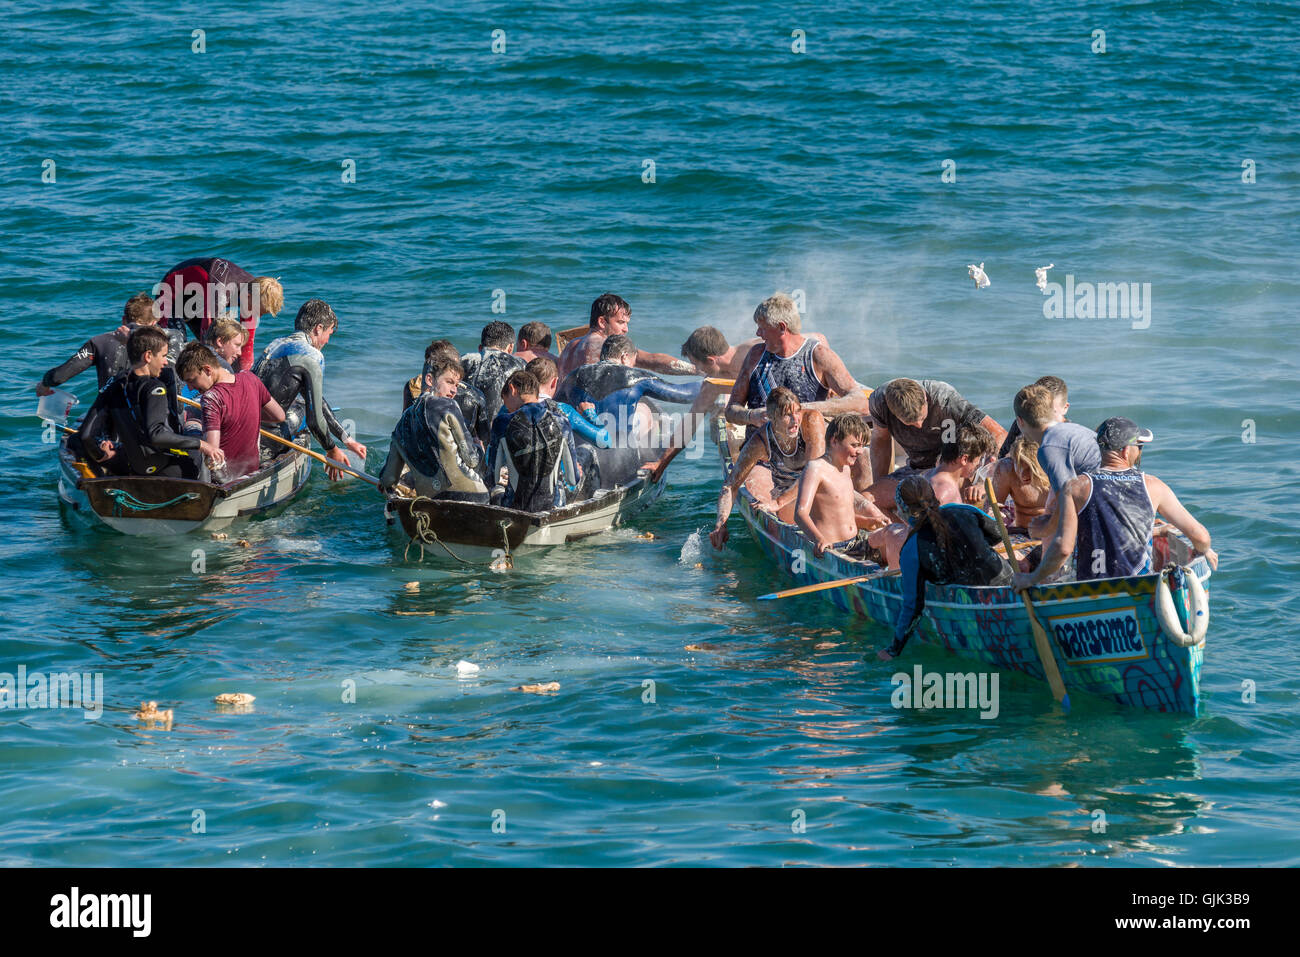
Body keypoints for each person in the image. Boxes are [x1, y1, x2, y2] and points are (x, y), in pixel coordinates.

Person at [1014, 417, 1218, 589]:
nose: (1140, 451)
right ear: (1125, 452)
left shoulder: (1076, 488)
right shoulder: (1153, 486)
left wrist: (1031, 579)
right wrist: (1203, 549)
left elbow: (1063, 549)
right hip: (1139, 587)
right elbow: (1201, 536)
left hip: (1090, 591)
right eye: (1139, 446)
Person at [725, 293, 872, 496]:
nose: (758, 333)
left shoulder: (818, 355)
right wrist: (751, 416)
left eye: (762, 327)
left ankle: (866, 515)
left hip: (814, 453)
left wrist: (804, 409)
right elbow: (731, 411)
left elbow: (859, 401)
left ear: (782, 327)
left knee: (861, 455)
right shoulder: (755, 356)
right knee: (760, 497)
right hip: (765, 455)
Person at [877, 476, 1016, 660]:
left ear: (902, 511)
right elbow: (998, 535)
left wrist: (893, 650)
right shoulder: (963, 510)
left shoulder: (911, 550)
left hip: (973, 610)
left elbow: (913, 607)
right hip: (1010, 586)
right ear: (933, 496)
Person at [72, 326, 221, 479]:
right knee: (197, 455)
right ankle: (205, 493)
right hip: (162, 469)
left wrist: (99, 455)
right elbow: (157, 435)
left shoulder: (115, 384)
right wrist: (202, 445)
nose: (165, 362)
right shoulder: (154, 387)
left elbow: (86, 435)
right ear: (148, 356)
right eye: (163, 356)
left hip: (130, 466)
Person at [556, 334, 711, 481]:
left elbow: (552, 407)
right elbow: (684, 395)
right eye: (633, 361)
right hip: (621, 464)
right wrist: (713, 379)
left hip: (581, 460)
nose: (632, 366)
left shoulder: (573, 376)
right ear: (624, 357)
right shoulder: (636, 377)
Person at [254, 299, 367, 479]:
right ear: (318, 328)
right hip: (265, 442)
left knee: (300, 402)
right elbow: (314, 418)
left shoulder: (275, 344)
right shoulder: (311, 355)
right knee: (301, 411)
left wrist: (347, 439)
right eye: (329, 333)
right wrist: (332, 450)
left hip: (246, 428)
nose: (328, 341)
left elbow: (317, 400)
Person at [711, 387, 829, 547]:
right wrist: (721, 524)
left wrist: (779, 502)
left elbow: (814, 471)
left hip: (824, 485)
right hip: (791, 494)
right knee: (783, 517)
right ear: (772, 418)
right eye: (787, 415)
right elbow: (730, 485)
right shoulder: (761, 440)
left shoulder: (811, 420)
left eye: (797, 412)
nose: (795, 420)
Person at [865, 378, 1007, 506]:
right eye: (911, 423)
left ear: (925, 398)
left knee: (969, 499)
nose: (920, 425)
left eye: (921, 417)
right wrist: (880, 480)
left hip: (957, 467)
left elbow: (1000, 435)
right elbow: (881, 440)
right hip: (919, 468)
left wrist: (986, 481)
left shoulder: (945, 399)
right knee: (867, 499)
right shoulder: (879, 402)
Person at [379, 354, 489, 501]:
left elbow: (389, 477)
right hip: (471, 494)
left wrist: (384, 482)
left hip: (430, 499)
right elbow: (472, 459)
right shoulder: (448, 405)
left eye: (456, 385)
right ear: (430, 380)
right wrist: (479, 449)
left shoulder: (402, 422)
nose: (454, 390)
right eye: (449, 382)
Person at [176, 342, 286, 479]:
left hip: (224, 478)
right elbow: (279, 416)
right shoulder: (251, 378)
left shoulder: (211, 398)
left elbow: (213, 453)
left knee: (190, 424)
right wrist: (245, 414)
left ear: (207, 370)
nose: (190, 388)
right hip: (251, 471)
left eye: (191, 380)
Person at [154, 258, 283, 371]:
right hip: (171, 291)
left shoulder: (253, 295)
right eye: (257, 311)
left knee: (224, 347)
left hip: (199, 298)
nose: (257, 316)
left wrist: (243, 376)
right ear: (248, 296)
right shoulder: (222, 291)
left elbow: (246, 349)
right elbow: (209, 339)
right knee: (177, 345)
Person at [36, 292, 175, 395]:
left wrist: (44, 384)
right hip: (152, 410)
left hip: (112, 414)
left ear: (123, 320)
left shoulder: (99, 342)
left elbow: (59, 376)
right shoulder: (165, 343)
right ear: (153, 323)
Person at [1011, 383, 1101, 540]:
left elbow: (1067, 501)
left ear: (1020, 421)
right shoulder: (1074, 429)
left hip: (1102, 502)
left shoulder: (1049, 448)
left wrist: (1045, 529)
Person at [794, 414, 890, 558]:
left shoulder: (845, 467)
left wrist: (868, 522)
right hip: (834, 548)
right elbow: (800, 513)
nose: (860, 451)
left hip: (856, 541)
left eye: (862, 446)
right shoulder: (816, 469)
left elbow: (840, 515)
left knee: (894, 539)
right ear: (834, 441)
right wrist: (819, 539)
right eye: (855, 445)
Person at [487, 370, 580, 511]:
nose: (506, 407)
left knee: (496, 490)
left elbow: (491, 478)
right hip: (551, 508)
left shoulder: (502, 423)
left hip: (515, 508)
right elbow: (573, 479)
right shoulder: (561, 421)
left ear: (512, 389)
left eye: (504, 400)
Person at [557, 293, 699, 380]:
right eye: (620, 323)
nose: (626, 329)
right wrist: (698, 370)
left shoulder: (570, 346)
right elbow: (651, 360)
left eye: (626, 323)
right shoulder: (606, 345)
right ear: (601, 321)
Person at [526, 356, 611, 448]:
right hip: (555, 462)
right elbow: (606, 442)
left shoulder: (514, 405)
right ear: (554, 382)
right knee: (587, 449)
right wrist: (590, 415)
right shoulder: (563, 411)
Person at [461, 321, 526, 422]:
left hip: (465, 430)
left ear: (480, 348)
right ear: (510, 348)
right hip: (502, 429)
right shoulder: (520, 364)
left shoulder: (463, 360)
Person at [925, 421, 996, 506]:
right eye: (979, 459)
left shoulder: (932, 475)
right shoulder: (945, 493)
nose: (979, 464)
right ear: (964, 459)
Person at [998, 375, 1069, 458]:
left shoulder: (1068, 438)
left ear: (1065, 408)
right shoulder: (1025, 421)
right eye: (1038, 409)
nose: (1043, 415)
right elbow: (1002, 454)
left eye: (1052, 411)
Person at [991, 435, 1050, 532]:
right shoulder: (1006, 469)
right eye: (1018, 466)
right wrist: (993, 515)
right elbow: (991, 506)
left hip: (1055, 534)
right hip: (1023, 532)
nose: (1023, 475)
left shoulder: (1055, 469)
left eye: (1029, 469)